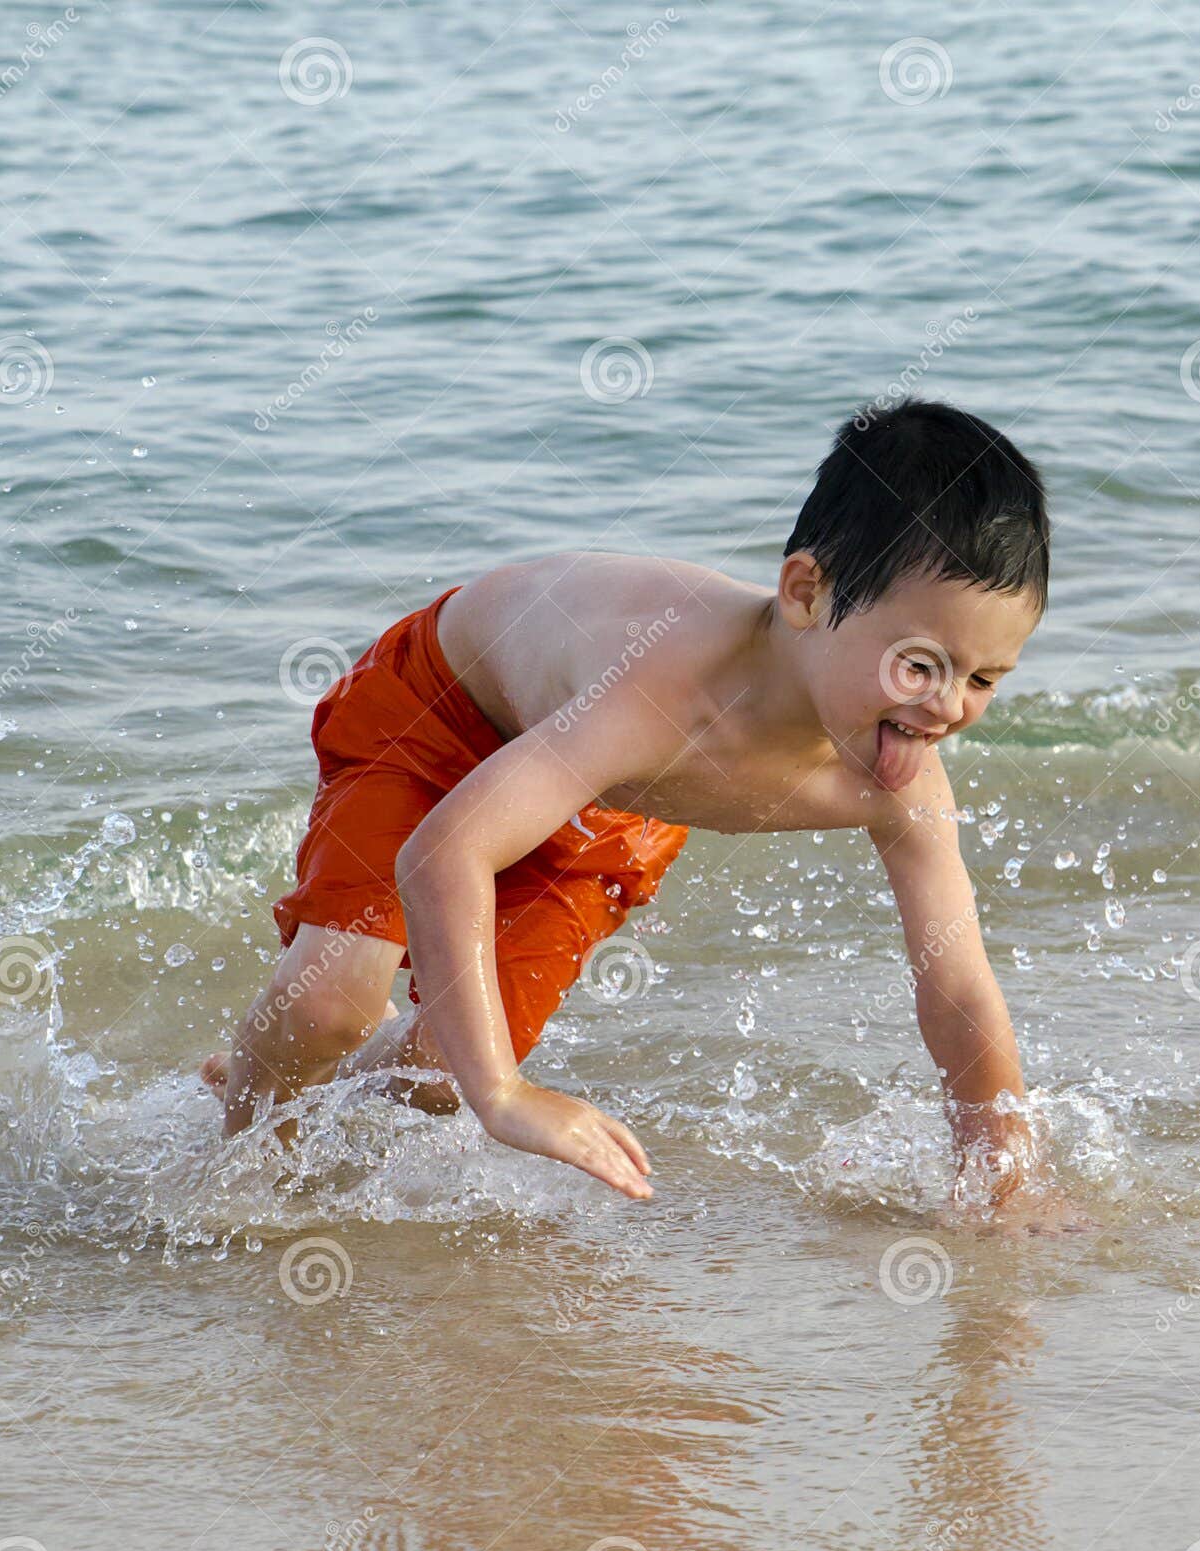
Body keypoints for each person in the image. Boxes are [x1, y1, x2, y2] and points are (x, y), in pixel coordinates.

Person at [203, 397, 1088, 1230]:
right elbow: (446, 852)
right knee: (331, 1002)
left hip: (606, 793)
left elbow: (957, 982)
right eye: (919, 665)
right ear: (807, 595)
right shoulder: (667, 690)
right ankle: (245, 1134)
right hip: (440, 714)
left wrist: (1001, 1170)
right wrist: (507, 1098)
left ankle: (304, 1087)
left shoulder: (901, 783)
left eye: (984, 680)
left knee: (444, 1070)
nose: (945, 708)